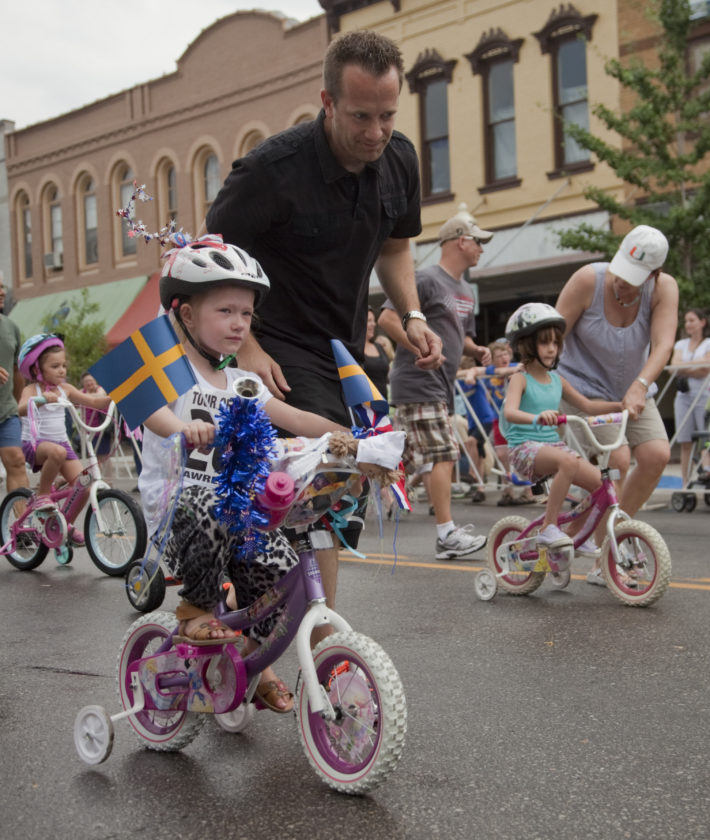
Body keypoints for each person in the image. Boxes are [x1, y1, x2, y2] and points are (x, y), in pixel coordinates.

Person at [206, 30, 443, 637]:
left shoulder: (400, 159)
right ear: (328, 102)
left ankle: (250, 582)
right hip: (276, 344)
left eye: (388, 115)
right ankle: (324, 640)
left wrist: (413, 314)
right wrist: (247, 346)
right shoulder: (270, 172)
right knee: (326, 475)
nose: (376, 131)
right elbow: (214, 258)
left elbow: (396, 246)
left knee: (344, 489)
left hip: (345, 350)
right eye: (361, 116)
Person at [138, 241, 353, 712]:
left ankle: (250, 662)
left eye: (247, 313)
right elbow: (152, 410)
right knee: (210, 510)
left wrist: (350, 436)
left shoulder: (243, 384)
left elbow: (297, 419)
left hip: (237, 514)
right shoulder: (170, 372)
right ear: (187, 315)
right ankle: (195, 611)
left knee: (279, 564)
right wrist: (182, 428)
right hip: (178, 513)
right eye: (225, 311)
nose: (239, 323)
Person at [555, 224, 678, 582]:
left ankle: (603, 537)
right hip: (582, 389)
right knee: (618, 460)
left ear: (653, 275)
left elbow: (663, 345)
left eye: (633, 279)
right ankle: (606, 554)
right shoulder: (587, 280)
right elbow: (549, 340)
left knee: (657, 455)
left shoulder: (664, 288)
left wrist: (641, 385)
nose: (622, 283)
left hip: (631, 389)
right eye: (621, 271)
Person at [378, 212, 493, 560]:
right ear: (460, 240)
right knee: (444, 453)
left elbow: (461, 335)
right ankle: (446, 534)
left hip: (442, 385)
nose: (482, 249)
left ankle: (358, 483)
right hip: (418, 380)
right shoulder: (426, 279)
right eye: (478, 241)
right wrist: (420, 348)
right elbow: (387, 318)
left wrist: (476, 349)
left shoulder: (466, 290)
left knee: (410, 459)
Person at [501, 303, 622, 550]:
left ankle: (576, 534)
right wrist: (537, 417)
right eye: (544, 342)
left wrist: (621, 406)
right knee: (567, 461)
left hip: (552, 446)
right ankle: (549, 526)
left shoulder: (557, 380)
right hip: (524, 448)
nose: (551, 349)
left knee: (599, 485)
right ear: (527, 345)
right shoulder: (520, 379)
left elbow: (588, 405)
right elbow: (510, 412)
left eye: (556, 343)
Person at [17, 334, 113, 545]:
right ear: (37, 370)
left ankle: (63, 526)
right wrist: (40, 400)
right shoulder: (31, 390)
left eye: (63, 365)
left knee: (84, 485)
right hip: (35, 444)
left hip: (60, 445)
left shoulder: (65, 389)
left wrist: (115, 397)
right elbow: (20, 409)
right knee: (57, 452)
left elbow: (93, 402)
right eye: (55, 366)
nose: (62, 370)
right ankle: (42, 495)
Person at [670, 308, 710, 484]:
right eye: (686, 321)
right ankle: (685, 482)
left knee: (705, 439)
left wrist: (684, 367)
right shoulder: (681, 344)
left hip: (703, 395)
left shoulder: (708, 343)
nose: (688, 324)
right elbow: (674, 366)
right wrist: (695, 366)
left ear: (702, 322)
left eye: (692, 320)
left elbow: (705, 369)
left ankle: (706, 472)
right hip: (683, 396)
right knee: (685, 440)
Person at [0, 278, 29, 498]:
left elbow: (17, 370)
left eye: (2, 287)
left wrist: (19, 406)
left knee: (17, 461)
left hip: (6, 410)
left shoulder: (10, 327)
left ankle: (22, 518)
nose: (2, 292)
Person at [79, 371, 115, 478]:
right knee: (92, 457)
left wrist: (84, 397)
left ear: (95, 381)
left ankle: (108, 480)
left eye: (91, 380)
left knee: (104, 456)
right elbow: (74, 396)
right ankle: (97, 478)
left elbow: (100, 395)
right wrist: (85, 396)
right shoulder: (82, 391)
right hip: (88, 429)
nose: (89, 383)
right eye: (86, 381)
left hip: (101, 429)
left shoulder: (100, 389)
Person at [363, 306, 391, 398]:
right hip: (364, 402)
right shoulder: (353, 349)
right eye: (369, 321)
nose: (373, 324)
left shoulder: (379, 347)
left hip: (383, 400)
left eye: (374, 321)